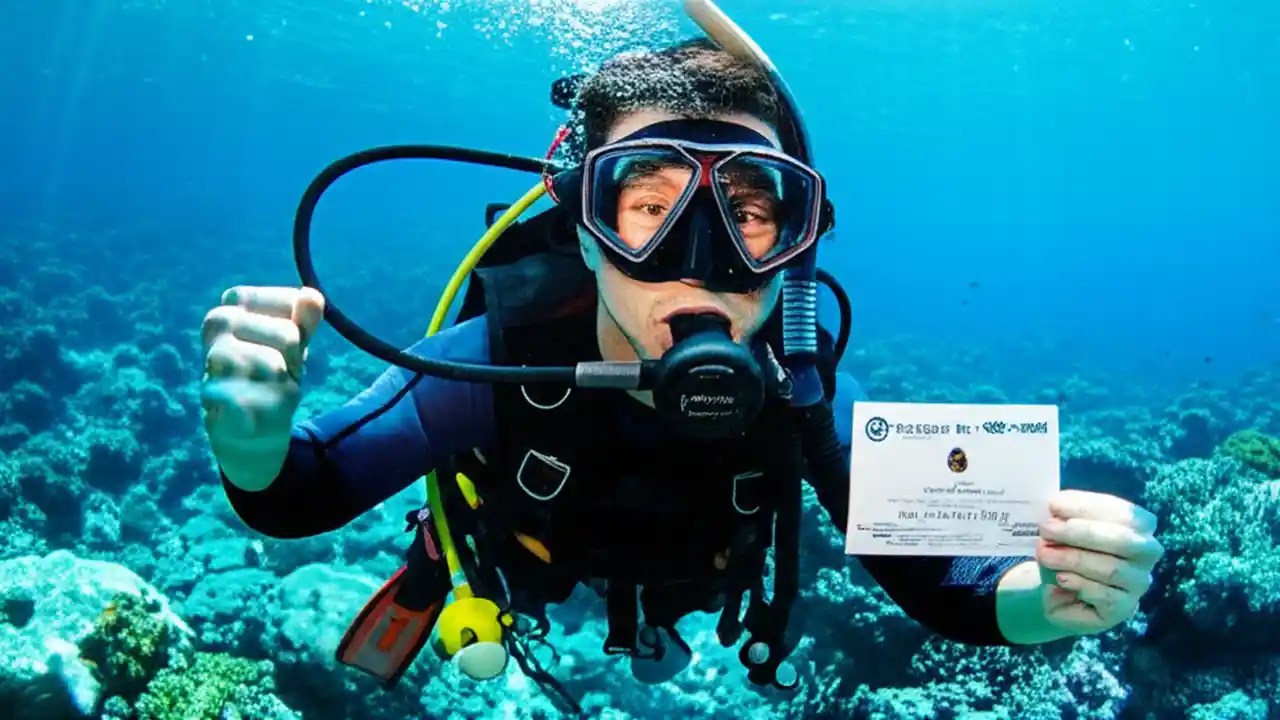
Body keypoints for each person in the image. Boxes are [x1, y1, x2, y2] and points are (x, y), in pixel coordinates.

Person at [200, 10, 1164, 714]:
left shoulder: (799, 388)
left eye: (750, 211)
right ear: (583, 229)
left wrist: (1056, 597)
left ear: (798, 241)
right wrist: (254, 443)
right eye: (649, 206)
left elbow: (953, 588)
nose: (702, 259)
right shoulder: (500, 358)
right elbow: (301, 494)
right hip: (526, 567)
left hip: (704, 588)